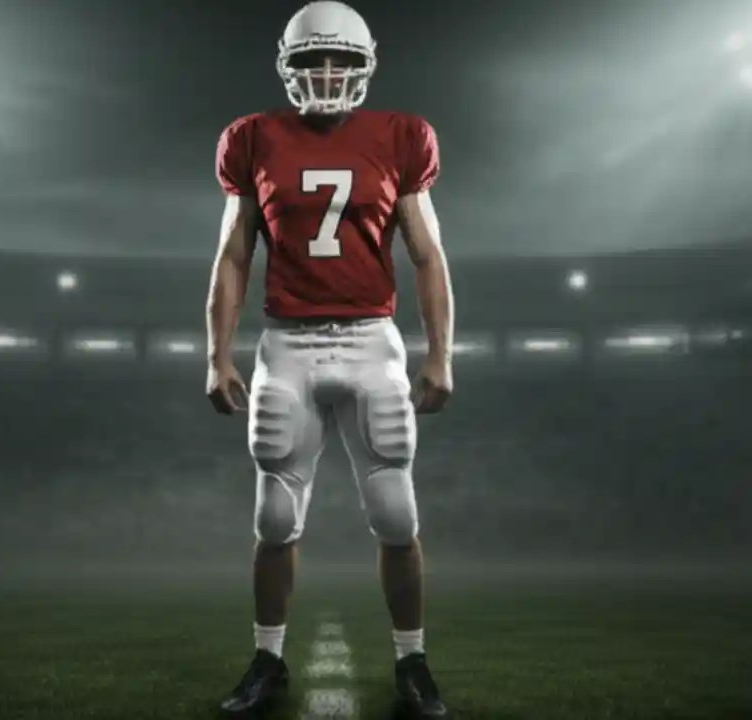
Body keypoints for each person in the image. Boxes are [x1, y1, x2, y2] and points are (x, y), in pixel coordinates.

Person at [205, 2, 454, 716]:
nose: (324, 72)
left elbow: (427, 252)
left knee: (397, 515)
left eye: (339, 60)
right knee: (275, 520)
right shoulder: (251, 138)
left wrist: (441, 353)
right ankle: (267, 658)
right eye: (311, 59)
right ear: (287, 66)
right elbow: (233, 253)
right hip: (287, 342)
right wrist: (217, 354)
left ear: (363, 65)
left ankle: (412, 661)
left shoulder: (401, 136)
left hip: (371, 339)